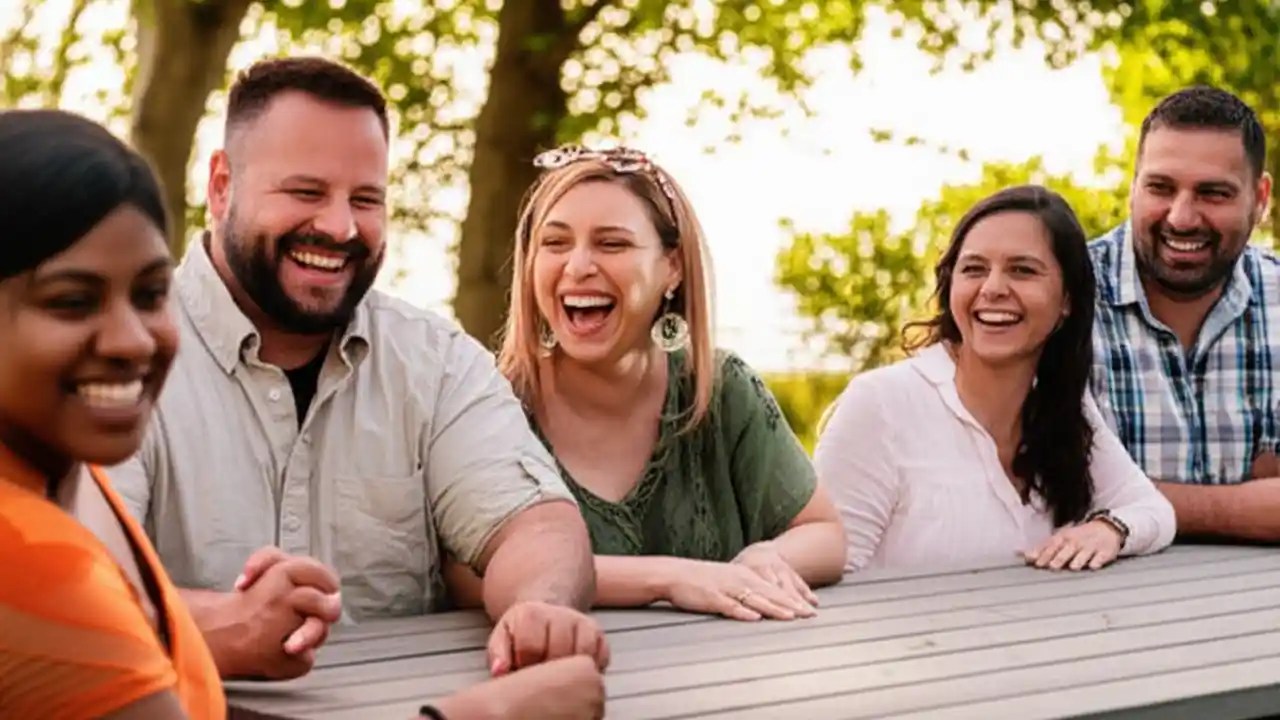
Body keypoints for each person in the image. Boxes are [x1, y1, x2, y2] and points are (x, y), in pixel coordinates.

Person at [109, 56, 606, 681]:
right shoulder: (115, 356)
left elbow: (536, 525)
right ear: (220, 186)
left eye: (365, 199)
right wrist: (211, 626)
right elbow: (62, 590)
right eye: (306, 192)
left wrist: (541, 606)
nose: (340, 227)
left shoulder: (437, 363)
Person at [482, 145, 846, 623]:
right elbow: (470, 573)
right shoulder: (493, 404)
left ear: (671, 268)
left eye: (611, 244)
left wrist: (770, 558)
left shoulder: (721, 389)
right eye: (555, 244)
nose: (577, 266)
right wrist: (673, 578)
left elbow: (824, 533)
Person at [815, 185, 1176, 572]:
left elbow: (1153, 511)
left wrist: (1109, 528)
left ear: (1067, 300)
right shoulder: (880, 404)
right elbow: (830, 568)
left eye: (1022, 270)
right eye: (974, 269)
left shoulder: (1063, 405)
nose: (992, 289)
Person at [0, 109, 224, 718]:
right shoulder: (23, 555)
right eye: (72, 302)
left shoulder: (70, 471)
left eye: (151, 294)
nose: (133, 341)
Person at [1088, 86, 1280, 542]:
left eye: (1213, 193)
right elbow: (1032, 495)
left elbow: (1083, 497)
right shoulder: (1059, 301)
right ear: (1133, 185)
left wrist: (1126, 503)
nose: (1181, 217)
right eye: (1160, 187)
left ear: (1260, 198)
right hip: (1093, 608)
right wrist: (1251, 505)